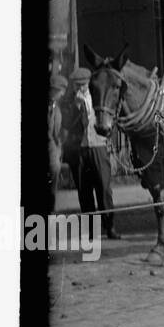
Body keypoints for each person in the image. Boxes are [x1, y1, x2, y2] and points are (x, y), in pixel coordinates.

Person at [67, 66, 119, 238]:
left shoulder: (98, 98)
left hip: (98, 146)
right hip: (80, 150)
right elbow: (66, 125)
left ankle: (110, 226)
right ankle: (91, 230)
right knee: (84, 191)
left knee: (104, 189)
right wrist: (75, 107)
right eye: (77, 85)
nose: (80, 88)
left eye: (83, 84)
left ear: (89, 83)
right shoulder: (69, 102)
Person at [47, 73, 67, 216]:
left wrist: (59, 146)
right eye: (59, 91)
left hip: (53, 146)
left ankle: (52, 207)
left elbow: (58, 130)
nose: (60, 94)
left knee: (55, 169)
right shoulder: (50, 106)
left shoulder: (57, 108)